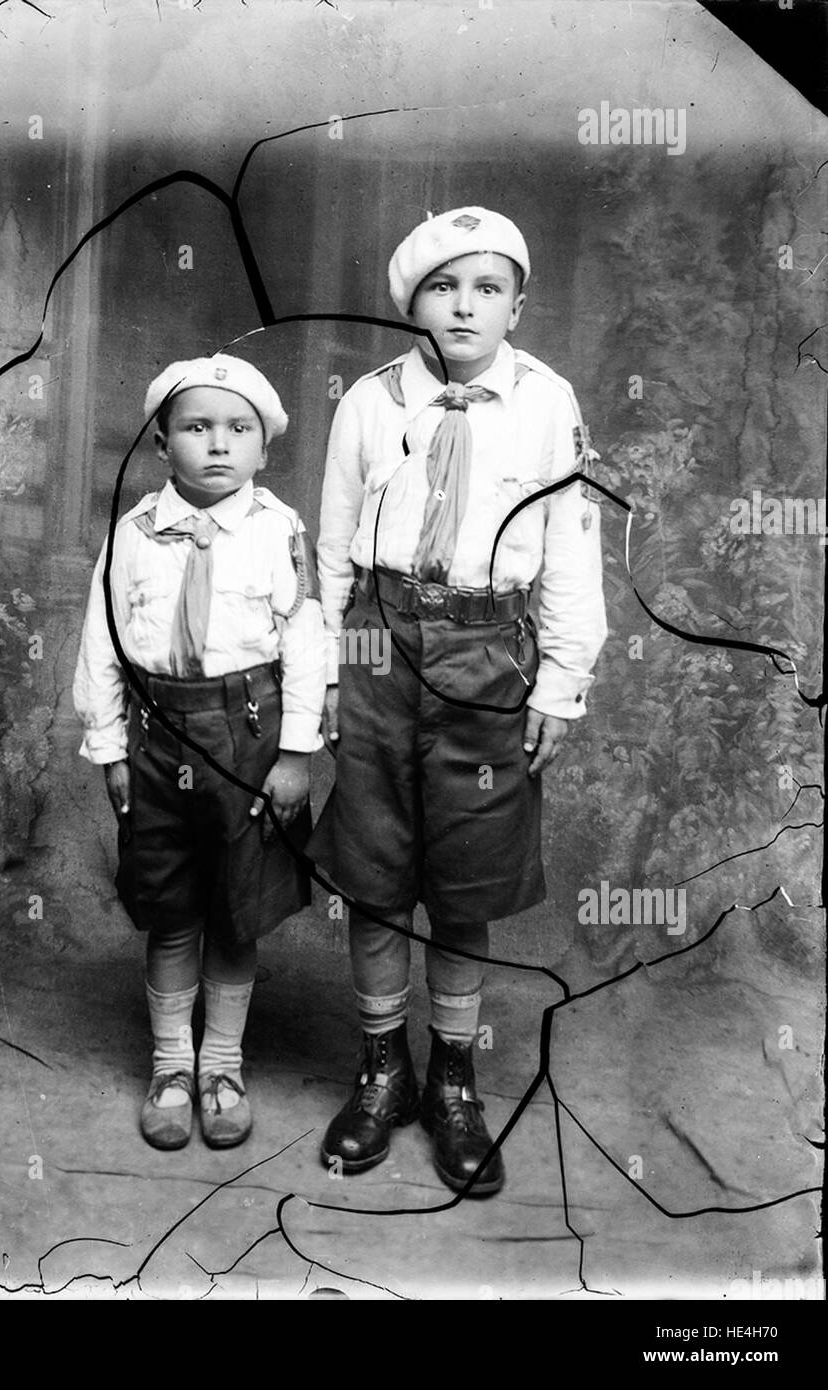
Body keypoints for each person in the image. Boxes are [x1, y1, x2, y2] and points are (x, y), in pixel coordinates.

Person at [312, 207, 607, 1195]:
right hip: (378, 637)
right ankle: (382, 1068)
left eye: (487, 287)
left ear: (518, 303)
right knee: (375, 863)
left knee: (467, 872)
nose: (466, 304)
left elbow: (569, 544)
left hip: (489, 646)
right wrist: (321, 679)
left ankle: (451, 1082)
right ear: (413, 306)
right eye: (445, 287)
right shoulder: (369, 401)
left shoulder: (545, 401)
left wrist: (560, 682)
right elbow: (330, 550)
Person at [73, 354, 326, 1151]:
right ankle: (171, 1066)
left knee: (237, 909)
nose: (218, 444)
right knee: (172, 907)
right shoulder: (131, 536)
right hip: (157, 738)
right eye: (196, 427)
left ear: (264, 449)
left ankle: (223, 1066)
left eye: (238, 429)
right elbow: (102, 649)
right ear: (159, 444)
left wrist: (295, 754)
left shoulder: (279, 531)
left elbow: (308, 647)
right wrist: (111, 748)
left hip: (247, 739)